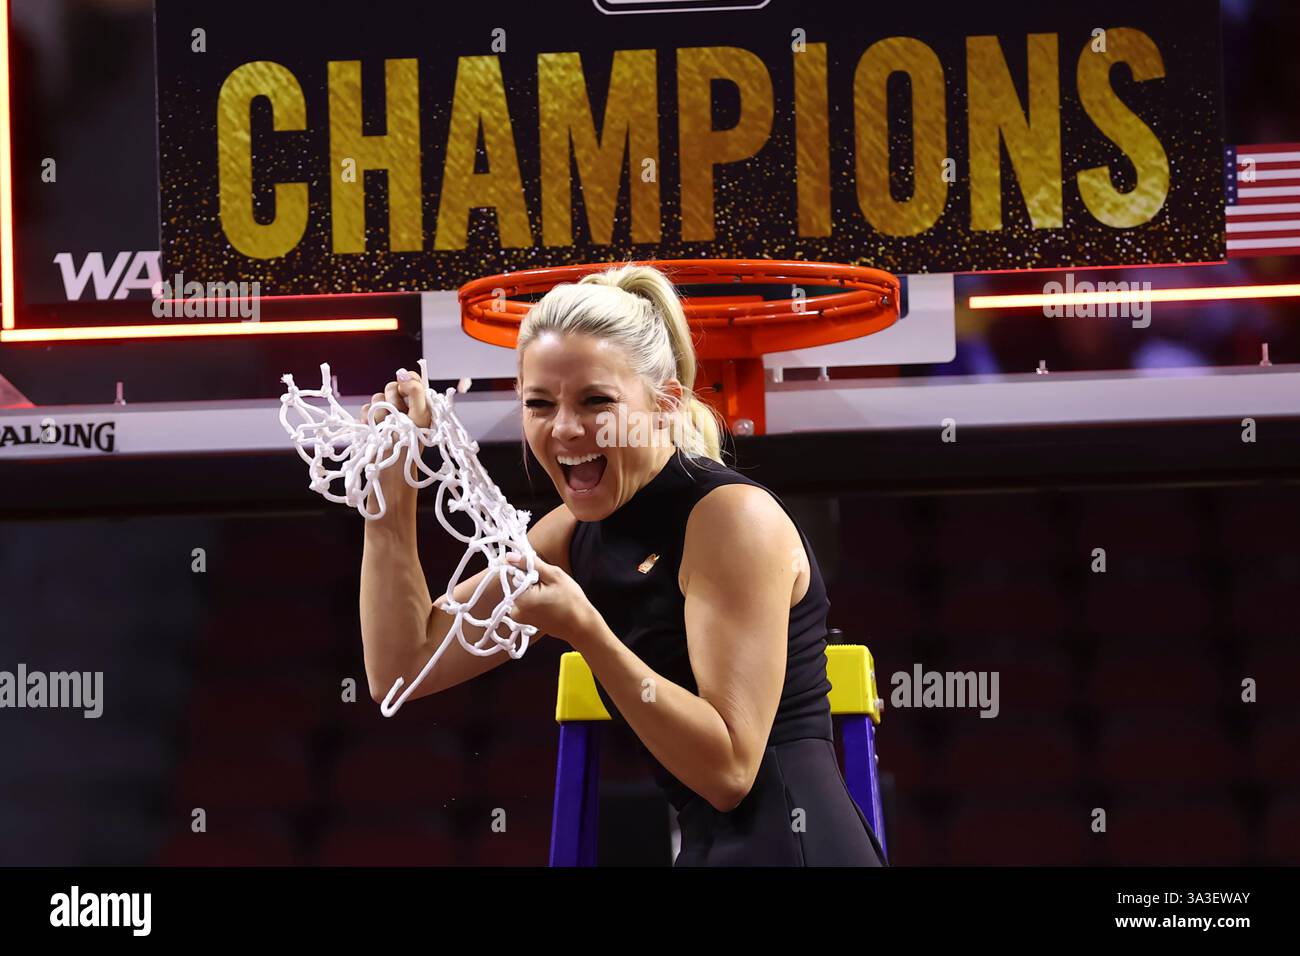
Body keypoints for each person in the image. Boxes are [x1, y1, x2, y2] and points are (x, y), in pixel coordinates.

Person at [358, 263, 886, 867]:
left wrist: (586, 631)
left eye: (596, 401)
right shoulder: (570, 533)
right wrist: (390, 492)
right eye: (539, 403)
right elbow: (403, 668)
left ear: (662, 406)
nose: (564, 427)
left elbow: (732, 770)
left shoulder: (730, 518)